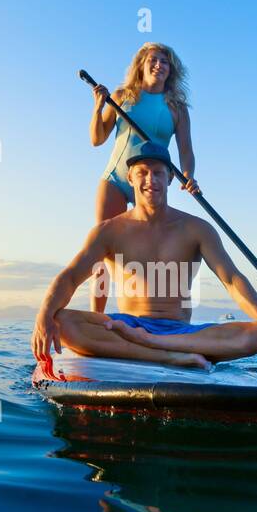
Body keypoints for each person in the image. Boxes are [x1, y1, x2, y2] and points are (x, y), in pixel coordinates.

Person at [32, 140, 257, 371]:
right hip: (127, 327)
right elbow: (71, 277)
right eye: (142, 172)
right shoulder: (108, 231)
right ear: (130, 178)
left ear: (169, 179)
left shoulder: (196, 228)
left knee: (256, 334)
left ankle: (153, 344)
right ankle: (168, 357)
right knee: (62, 321)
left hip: (181, 332)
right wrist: (44, 315)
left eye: (158, 173)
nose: (150, 180)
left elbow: (231, 279)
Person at [87, 43, 199, 312]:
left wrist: (188, 176)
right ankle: (96, 318)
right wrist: (98, 107)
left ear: (171, 70)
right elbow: (96, 139)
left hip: (153, 184)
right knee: (101, 249)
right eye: (153, 59)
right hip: (116, 180)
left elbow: (185, 149)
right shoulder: (123, 96)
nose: (159, 65)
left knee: (146, 251)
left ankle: (149, 313)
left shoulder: (177, 108)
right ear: (141, 64)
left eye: (165, 61)